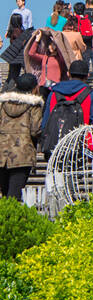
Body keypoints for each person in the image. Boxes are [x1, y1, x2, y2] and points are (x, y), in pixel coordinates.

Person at [40, 59, 93, 153]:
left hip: (55, 144)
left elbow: (45, 121)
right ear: (87, 76)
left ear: (68, 74)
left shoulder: (54, 93)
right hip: (81, 145)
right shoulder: (92, 94)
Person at [0, 72, 43, 202]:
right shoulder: (34, 105)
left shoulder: (2, 103)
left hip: (1, 153)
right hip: (22, 154)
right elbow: (35, 130)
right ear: (34, 87)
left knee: (4, 192)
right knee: (15, 195)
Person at [2, 14, 32, 86]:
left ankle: (4, 91)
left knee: (11, 75)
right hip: (19, 56)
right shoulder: (18, 31)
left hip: (13, 56)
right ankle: (9, 91)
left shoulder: (11, 31)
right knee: (17, 75)